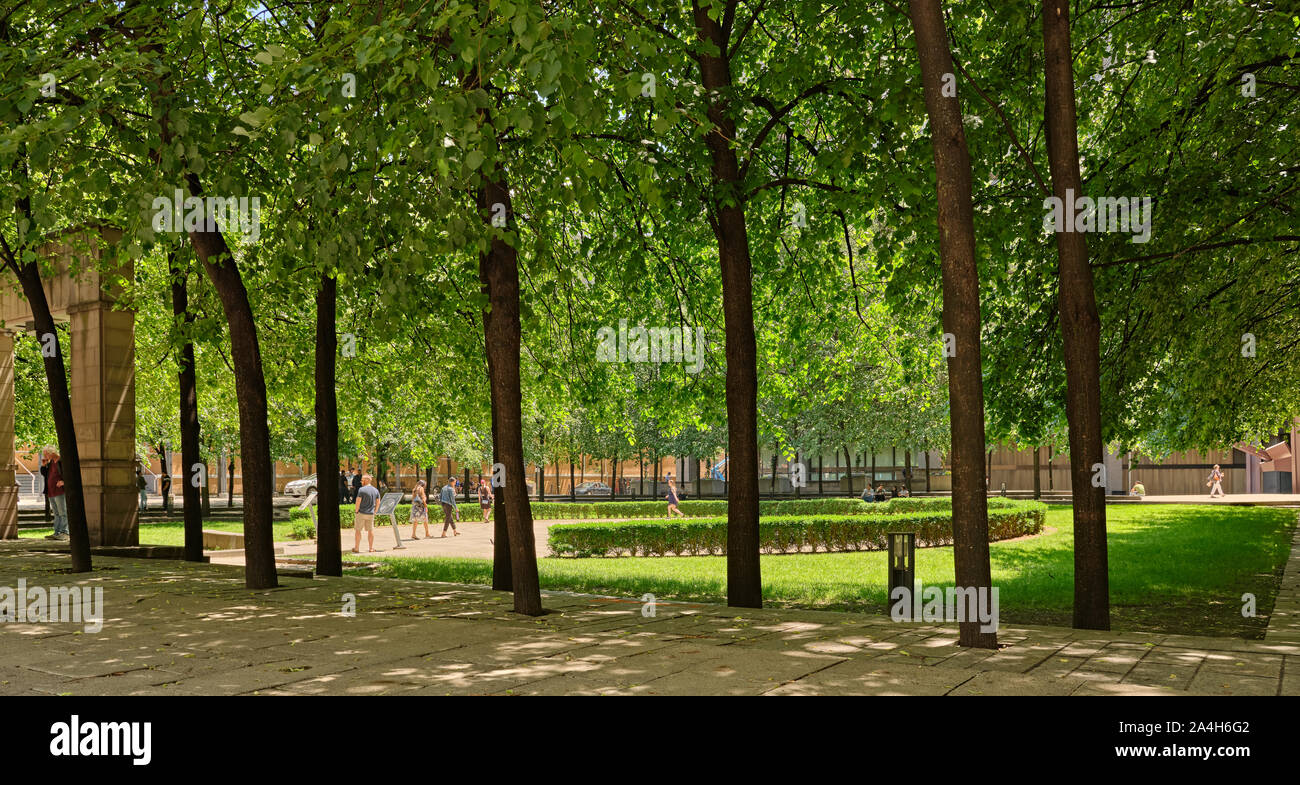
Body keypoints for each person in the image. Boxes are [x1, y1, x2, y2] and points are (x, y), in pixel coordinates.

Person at [41, 447, 68, 541]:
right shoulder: (51, 463)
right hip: (51, 491)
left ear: (51, 453)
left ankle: (65, 532)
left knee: (63, 512)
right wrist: (44, 465)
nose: (45, 456)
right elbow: (44, 474)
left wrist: (64, 481)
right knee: (56, 513)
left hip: (59, 491)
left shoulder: (61, 461)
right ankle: (57, 532)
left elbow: (69, 473)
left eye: (45, 454)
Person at [353, 473, 379, 553]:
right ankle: (371, 548)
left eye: (362, 480)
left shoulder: (361, 490)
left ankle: (357, 548)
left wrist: (356, 510)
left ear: (367, 480)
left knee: (358, 530)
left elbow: (358, 501)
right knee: (370, 531)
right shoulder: (376, 490)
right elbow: (378, 502)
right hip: (370, 514)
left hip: (361, 513)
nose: (361, 482)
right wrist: (375, 511)